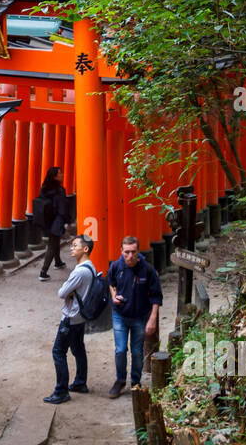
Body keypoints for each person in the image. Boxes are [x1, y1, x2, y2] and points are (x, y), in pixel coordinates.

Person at [106, 235, 163, 399]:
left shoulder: (148, 269)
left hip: (140, 316)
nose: (130, 256)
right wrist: (114, 295)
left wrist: (152, 319)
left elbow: (156, 296)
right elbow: (111, 282)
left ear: (138, 251)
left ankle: (135, 381)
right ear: (121, 251)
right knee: (121, 350)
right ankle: (120, 380)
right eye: (126, 252)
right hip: (120, 315)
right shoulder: (117, 266)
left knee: (137, 352)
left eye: (133, 252)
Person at [44, 235, 94, 404]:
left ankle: (61, 391)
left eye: (75, 246)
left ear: (85, 249)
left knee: (58, 352)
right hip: (80, 318)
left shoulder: (79, 272)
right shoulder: (91, 267)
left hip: (70, 318)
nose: (71, 248)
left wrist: (68, 290)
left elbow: (61, 293)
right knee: (78, 349)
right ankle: (80, 382)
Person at [37, 166, 69, 281]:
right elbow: (62, 209)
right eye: (60, 173)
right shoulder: (59, 191)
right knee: (52, 244)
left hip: (47, 220)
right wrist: (66, 221)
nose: (62, 175)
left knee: (55, 241)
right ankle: (43, 272)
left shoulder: (44, 188)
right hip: (57, 220)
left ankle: (58, 262)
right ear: (55, 177)